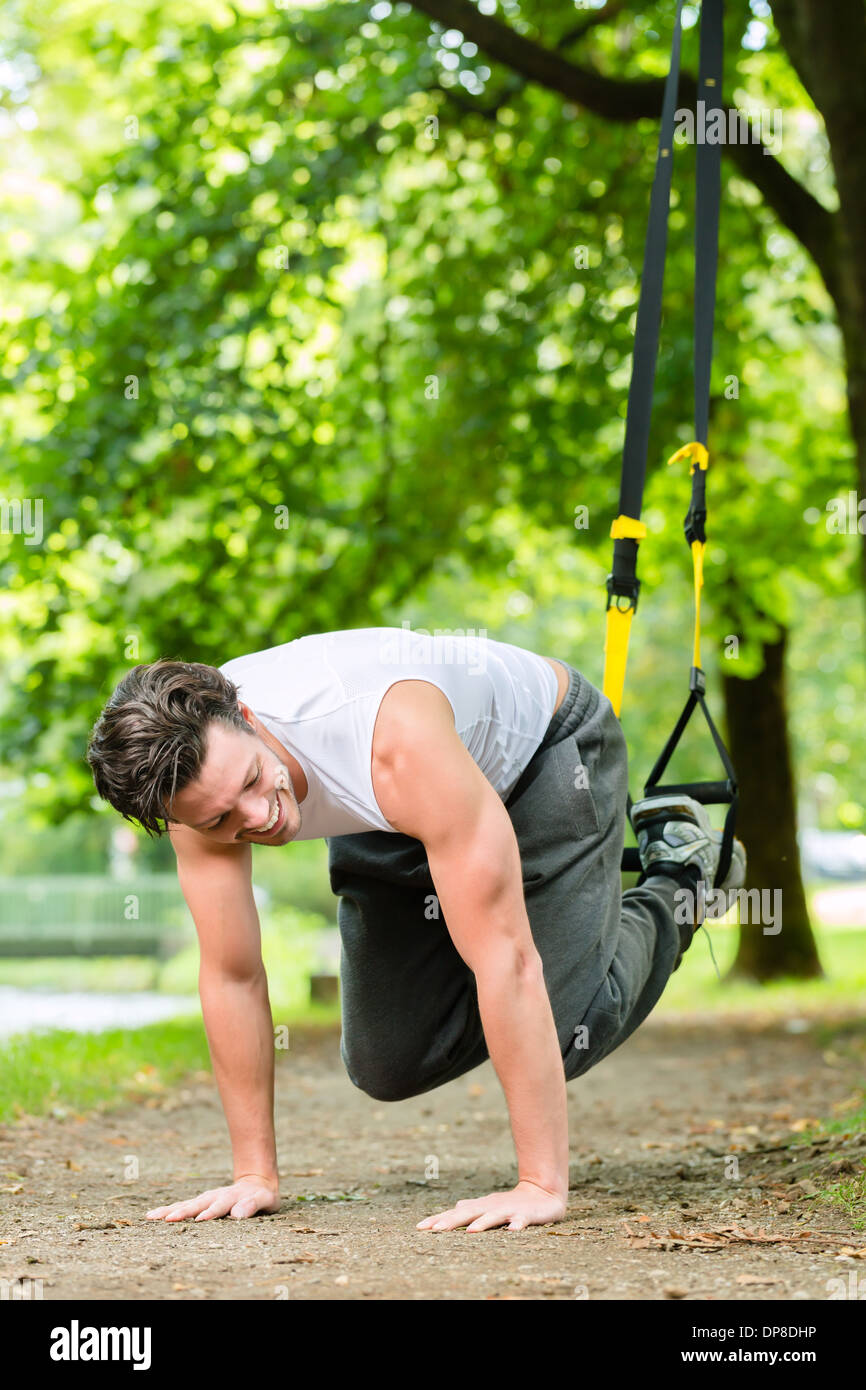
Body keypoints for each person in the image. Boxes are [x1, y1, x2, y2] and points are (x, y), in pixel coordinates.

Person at [86, 627, 745, 1234]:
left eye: (255, 780)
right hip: (386, 814)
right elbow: (233, 974)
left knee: (567, 1025)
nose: (259, 818)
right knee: (387, 1062)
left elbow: (508, 960)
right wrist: (253, 1175)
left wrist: (538, 1184)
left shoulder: (392, 737)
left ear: (249, 719)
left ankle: (683, 875)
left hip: (544, 752)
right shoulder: (186, 787)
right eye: (223, 820)